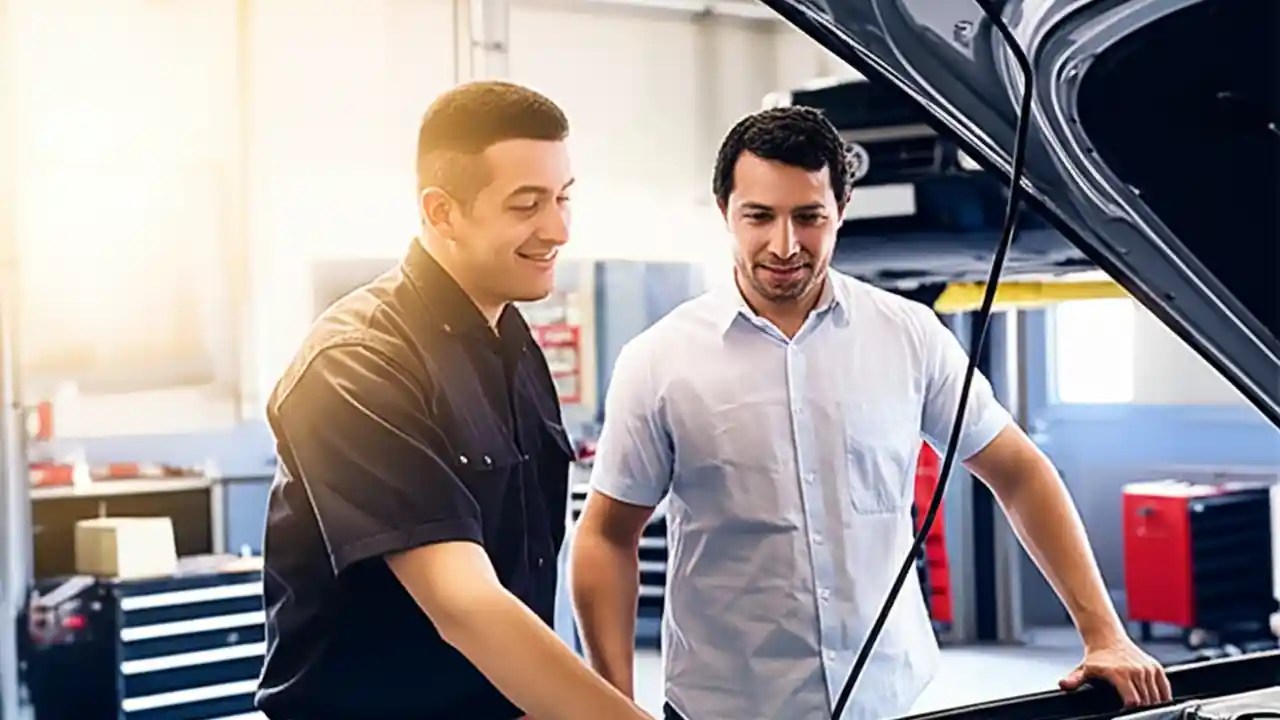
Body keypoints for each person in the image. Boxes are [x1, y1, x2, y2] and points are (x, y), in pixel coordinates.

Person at [569, 106, 1173, 720]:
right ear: (725, 210)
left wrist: (1105, 634)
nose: (785, 245)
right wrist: (610, 706)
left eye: (809, 217)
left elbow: (1020, 472)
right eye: (759, 216)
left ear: (842, 209)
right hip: (725, 710)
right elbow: (608, 536)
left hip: (889, 703)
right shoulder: (659, 359)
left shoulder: (910, 335)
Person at [255, 80, 652, 720]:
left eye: (563, 198)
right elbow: (465, 605)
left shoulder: (513, 344)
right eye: (527, 204)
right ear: (441, 212)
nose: (558, 229)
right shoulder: (356, 364)